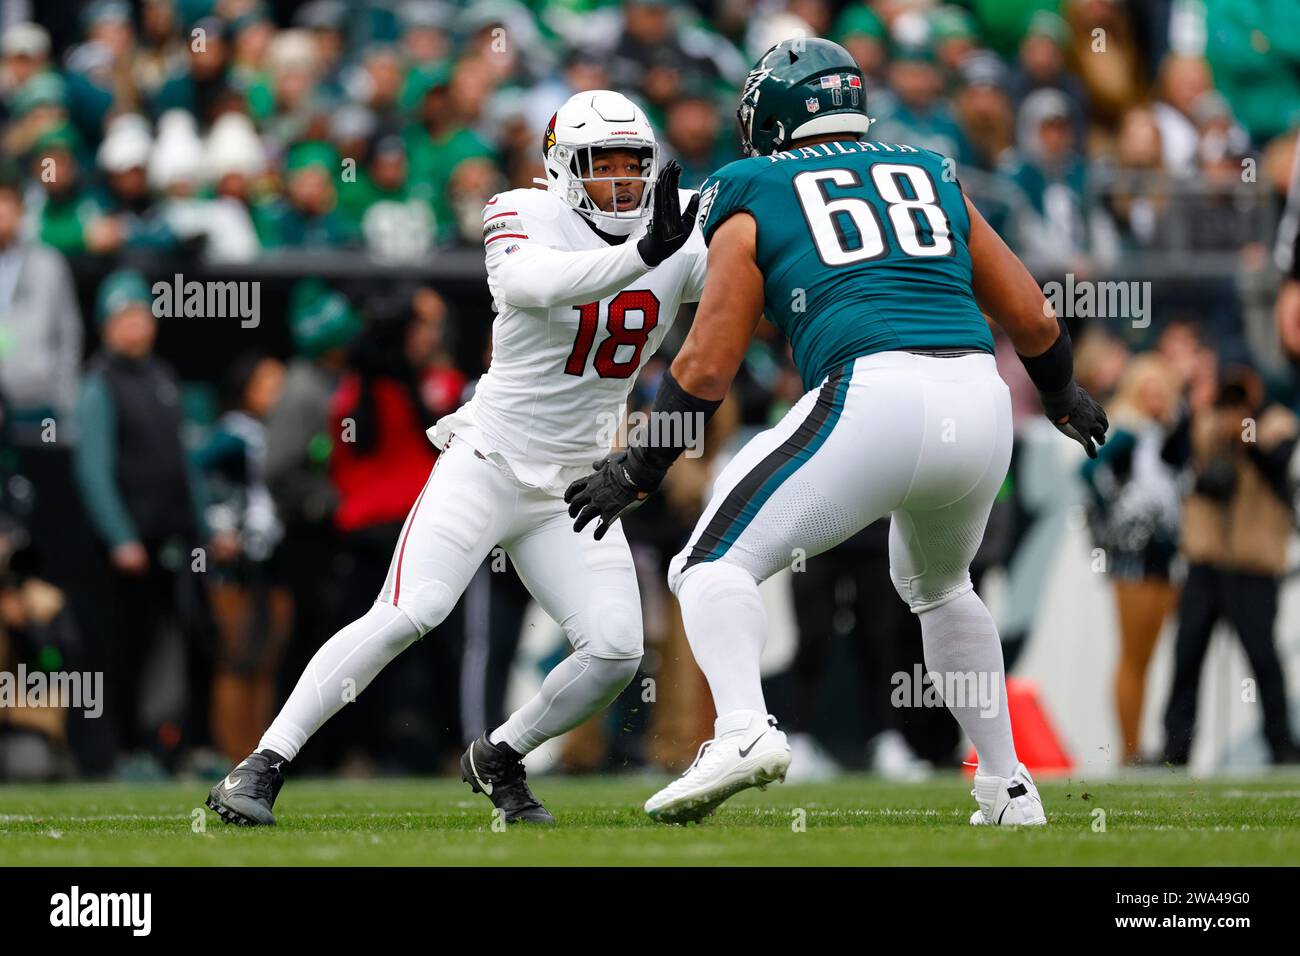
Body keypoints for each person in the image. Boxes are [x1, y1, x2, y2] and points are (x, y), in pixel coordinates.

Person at [564, 38, 1108, 825]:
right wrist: (1063, 399)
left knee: (708, 567)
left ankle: (744, 730)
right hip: (979, 400)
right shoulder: (930, 169)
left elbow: (709, 364)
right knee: (943, 587)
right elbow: (1030, 313)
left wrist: (641, 466)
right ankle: (1006, 783)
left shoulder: (749, 182)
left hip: (872, 392)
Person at [207, 90, 704, 826]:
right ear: (565, 169)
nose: (626, 184)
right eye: (606, 166)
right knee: (413, 609)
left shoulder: (675, 229)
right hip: (490, 460)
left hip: (578, 484)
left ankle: (500, 754)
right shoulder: (525, 212)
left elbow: (744, 277)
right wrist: (643, 253)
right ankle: (263, 762)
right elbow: (531, 284)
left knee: (615, 652)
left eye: (637, 166)